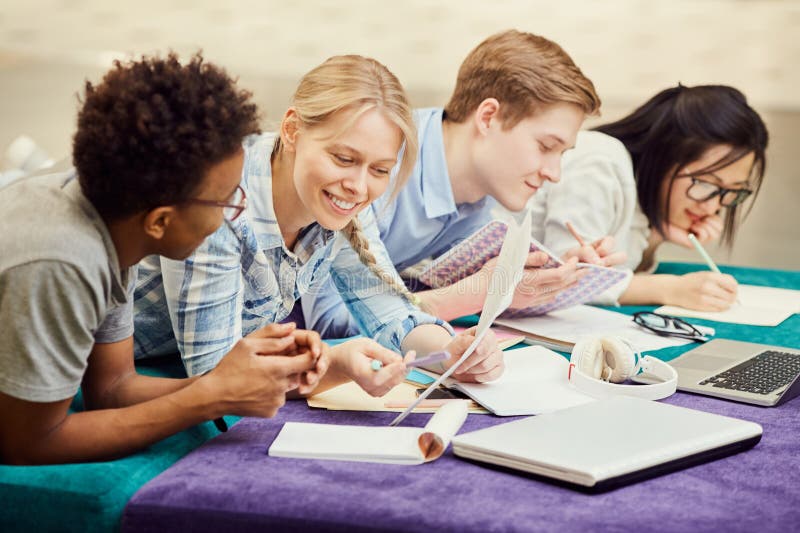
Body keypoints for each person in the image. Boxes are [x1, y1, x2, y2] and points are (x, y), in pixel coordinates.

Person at [0, 53, 327, 465]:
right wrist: (210, 398)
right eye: (226, 200)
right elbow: (29, 442)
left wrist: (238, 377)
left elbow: (113, 388)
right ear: (160, 221)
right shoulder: (62, 261)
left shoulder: (115, 222)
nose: (235, 210)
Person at [133, 54, 503, 390]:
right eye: (343, 158)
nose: (358, 187)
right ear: (292, 130)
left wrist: (452, 352)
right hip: (112, 372)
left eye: (379, 169)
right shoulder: (219, 198)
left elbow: (390, 312)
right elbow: (217, 374)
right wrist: (334, 366)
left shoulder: (345, 207)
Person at [304, 30, 608, 339]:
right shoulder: (376, 164)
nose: (554, 173)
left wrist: (564, 273)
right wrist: (472, 295)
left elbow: (477, 287)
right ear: (488, 117)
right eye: (545, 147)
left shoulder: (481, 195)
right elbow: (327, 320)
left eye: (562, 153)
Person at [528, 84, 768, 310]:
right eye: (706, 184)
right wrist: (672, 289)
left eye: (732, 192)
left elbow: (620, 269)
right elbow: (569, 279)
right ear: (664, 157)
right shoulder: (599, 161)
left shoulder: (642, 192)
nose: (713, 206)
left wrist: (658, 234)